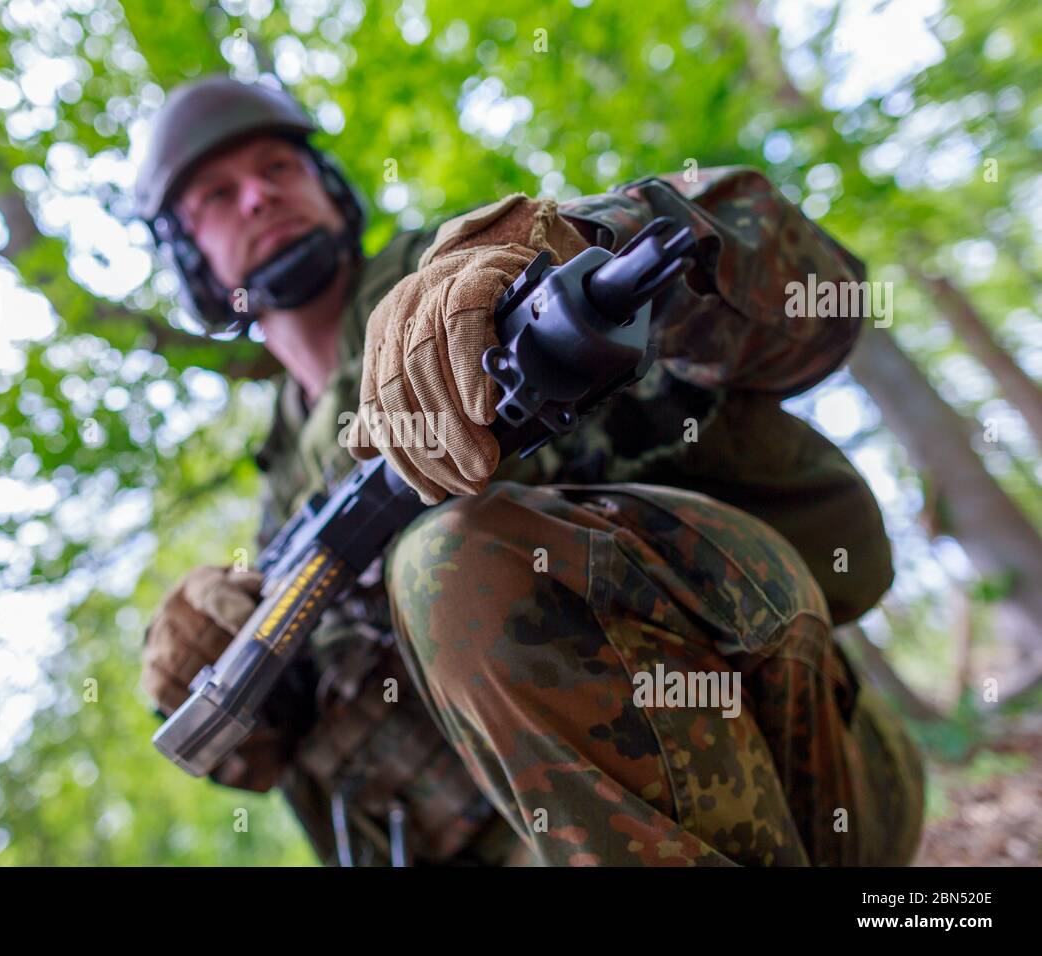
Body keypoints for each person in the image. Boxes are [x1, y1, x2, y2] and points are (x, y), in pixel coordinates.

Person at [132, 74, 926, 866]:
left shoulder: (470, 277)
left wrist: (583, 248)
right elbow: (261, 762)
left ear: (330, 188)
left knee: (451, 558)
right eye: (215, 196)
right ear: (187, 257)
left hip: (797, 767)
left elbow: (817, 299)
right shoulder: (279, 498)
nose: (257, 197)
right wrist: (196, 661)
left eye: (279, 167)